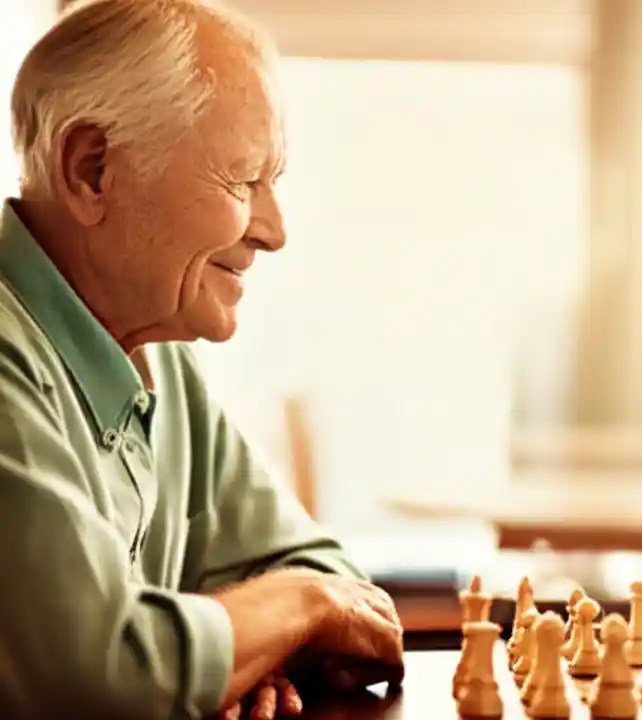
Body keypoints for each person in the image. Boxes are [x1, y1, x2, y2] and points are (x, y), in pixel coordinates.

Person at [0, 1, 404, 718]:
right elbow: (98, 676)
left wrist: (235, 653)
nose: (273, 231)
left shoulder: (163, 358)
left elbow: (344, 594)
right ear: (91, 170)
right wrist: (288, 612)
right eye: (244, 180)